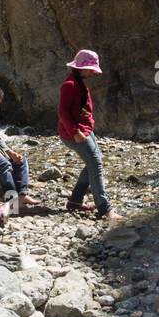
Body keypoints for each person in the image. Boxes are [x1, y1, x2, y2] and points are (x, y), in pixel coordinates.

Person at [57, 50, 118, 219]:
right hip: (73, 133)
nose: (92, 72)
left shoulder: (79, 82)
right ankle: (105, 209)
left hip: (83, 130)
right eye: (90, 69)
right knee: (95, 163)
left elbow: (82, 109)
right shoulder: (69, 85)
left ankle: (75, 201)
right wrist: (75, 132)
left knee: (93, 161)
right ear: (80, 68)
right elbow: (62, 112)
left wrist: (85, 127)